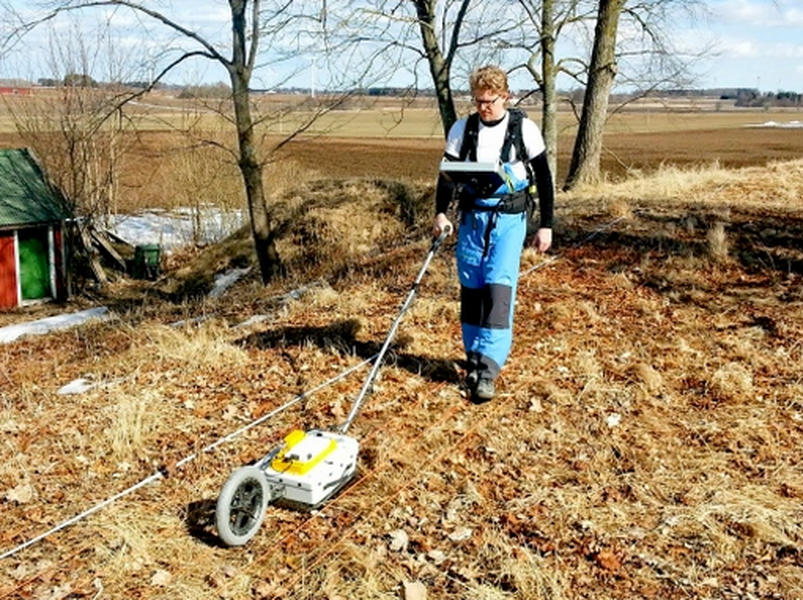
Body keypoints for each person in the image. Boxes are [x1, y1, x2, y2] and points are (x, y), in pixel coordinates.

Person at [432, 65, 555, 403]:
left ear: (506, 96)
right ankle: (472, 357)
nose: (484, 107)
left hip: (509, 219)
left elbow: (544, 178)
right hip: (473, 219)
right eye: (478, 101)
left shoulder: (523, 129)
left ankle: (488, 370)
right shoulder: (463, 129)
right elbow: (446, 177)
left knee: (497, 290)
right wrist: (441, 213)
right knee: (471, 287)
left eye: (490, 100)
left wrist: (546, 225)